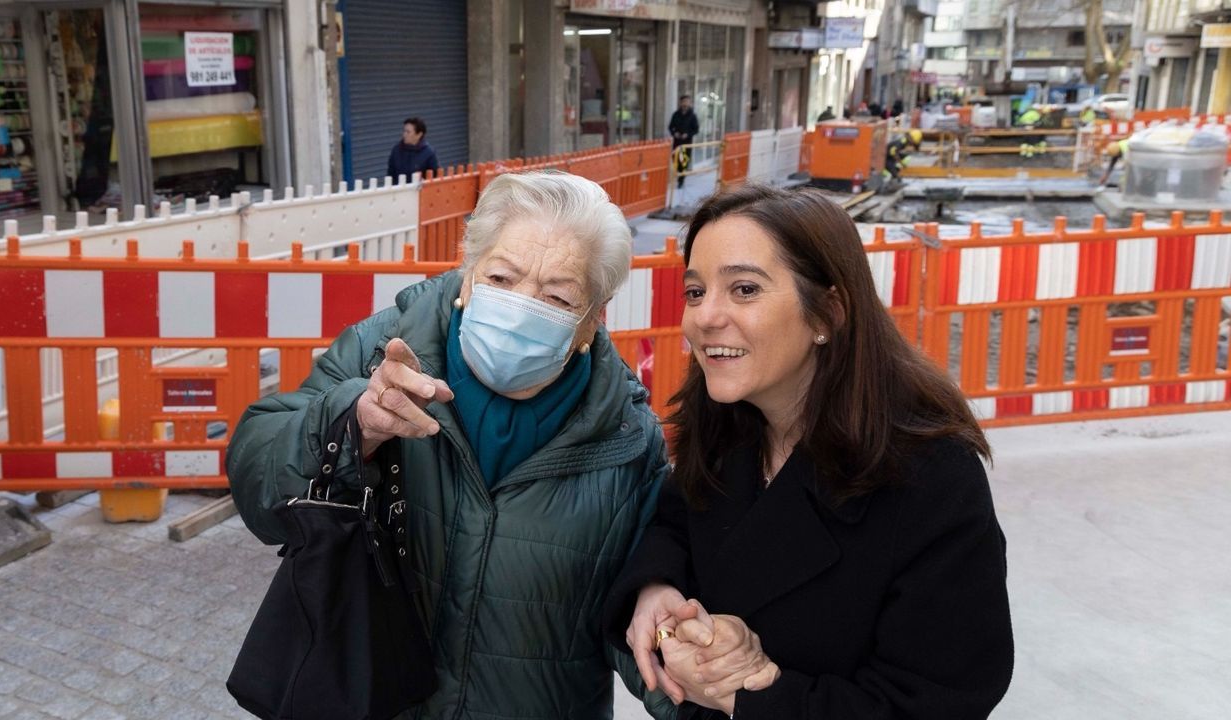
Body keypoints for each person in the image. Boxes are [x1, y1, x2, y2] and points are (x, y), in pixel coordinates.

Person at [227, 171, 674, 719]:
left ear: (588, 324)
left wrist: (681, 658)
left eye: (557, 296)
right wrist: (351, 423)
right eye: (502, 278)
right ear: (467, 278)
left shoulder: (626, 437)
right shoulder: (381, 351)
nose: (521, 306)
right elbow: (256, 476)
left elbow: (636, 611)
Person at [604, 184, 1014, 719]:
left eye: (745, 289)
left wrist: (748, 694)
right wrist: (656, 590)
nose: (705, 317)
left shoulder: (928, 475)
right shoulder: (731, 425)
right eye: (696, 292)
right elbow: (675, 523)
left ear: (827, 314)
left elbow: (938, 698)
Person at [386, 116, 440, 181]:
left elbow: (435, 176)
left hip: (419, 190)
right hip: (399, 190)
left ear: (419, 135)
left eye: (408, 132)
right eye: (404, 131)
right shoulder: (396, 150)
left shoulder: (428, 153)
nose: (404, 134)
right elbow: (390, 174)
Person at [669, 95, 700, 188]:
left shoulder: (692, 116)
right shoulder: (675, 114)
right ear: (680, 103)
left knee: (684, 162)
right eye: (683, 101)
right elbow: (670, 127)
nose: (685, 103)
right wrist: (674, 133)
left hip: (687, 143)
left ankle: (681, 180)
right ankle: (679, 174)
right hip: (677, 142)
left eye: (687, 102)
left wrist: (688, 134)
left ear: (690, 103)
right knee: (675, 159)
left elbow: (696, 129)